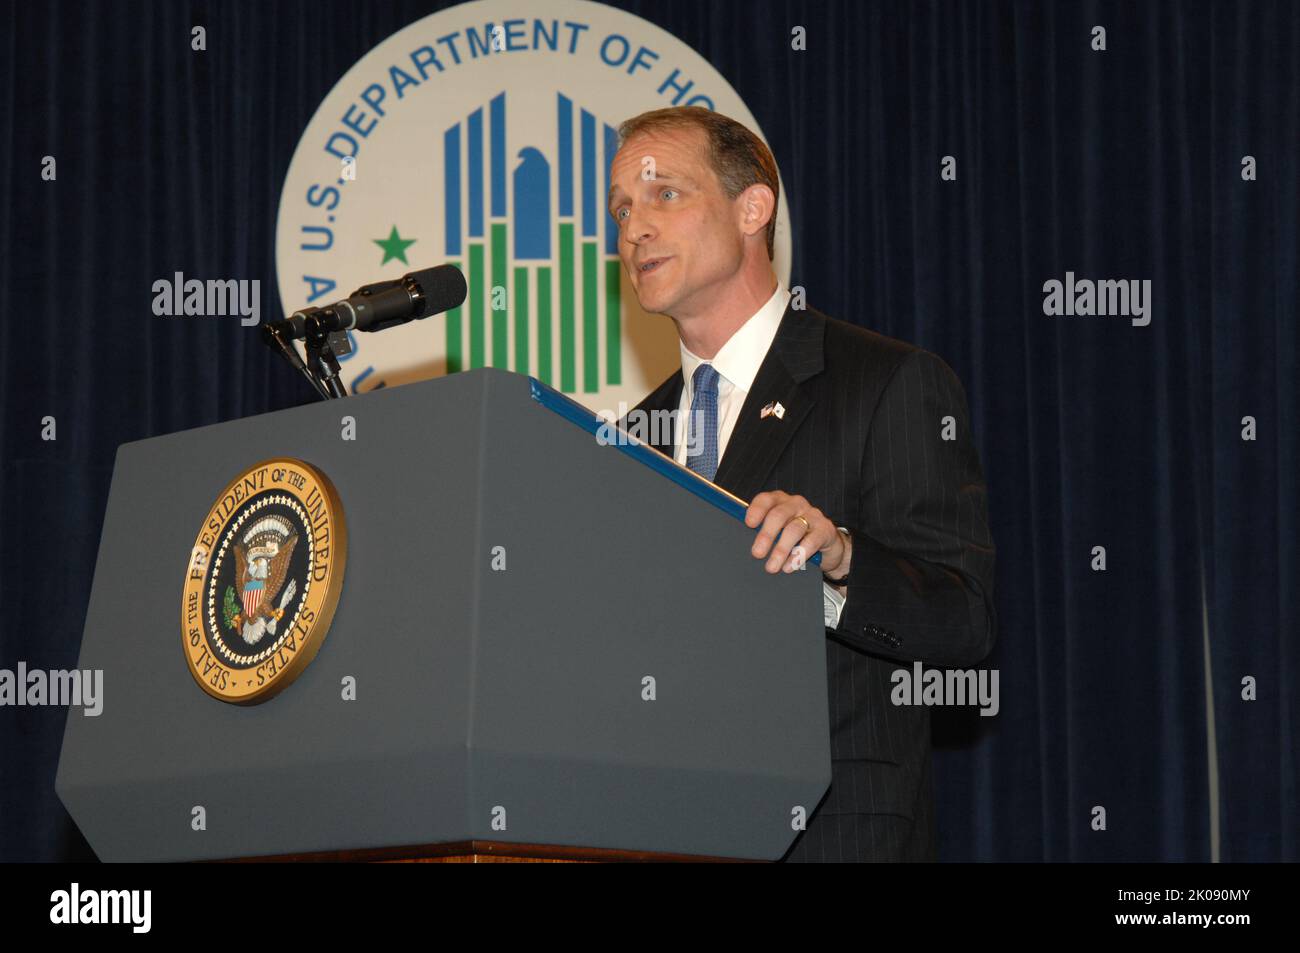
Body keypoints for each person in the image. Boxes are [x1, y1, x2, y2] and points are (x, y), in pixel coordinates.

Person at [609, 106, 997, 861]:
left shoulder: (884, 382)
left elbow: (966, 623)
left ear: (753, 207)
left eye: (663, 195)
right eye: (622, 208)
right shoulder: (631, 439)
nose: (634, 229)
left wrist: (847, 556)